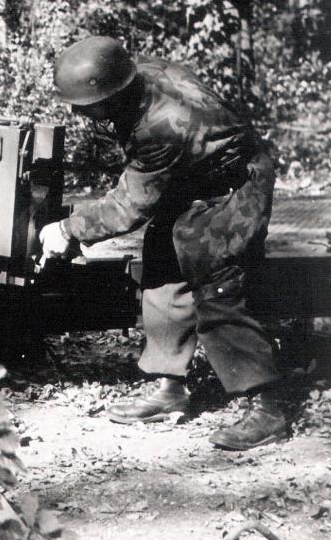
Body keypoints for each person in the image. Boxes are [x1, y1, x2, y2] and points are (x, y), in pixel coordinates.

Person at [39, 36, 287, 451]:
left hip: (236, 186)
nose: (80, 113)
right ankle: (168, 387)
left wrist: (67, 230)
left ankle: (267, 407)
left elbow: (129, 205)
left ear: (110, 93)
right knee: (163, 257)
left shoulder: (160, 124)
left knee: (217, 278)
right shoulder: (138, 77)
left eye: (85, 105)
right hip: (197, 175)